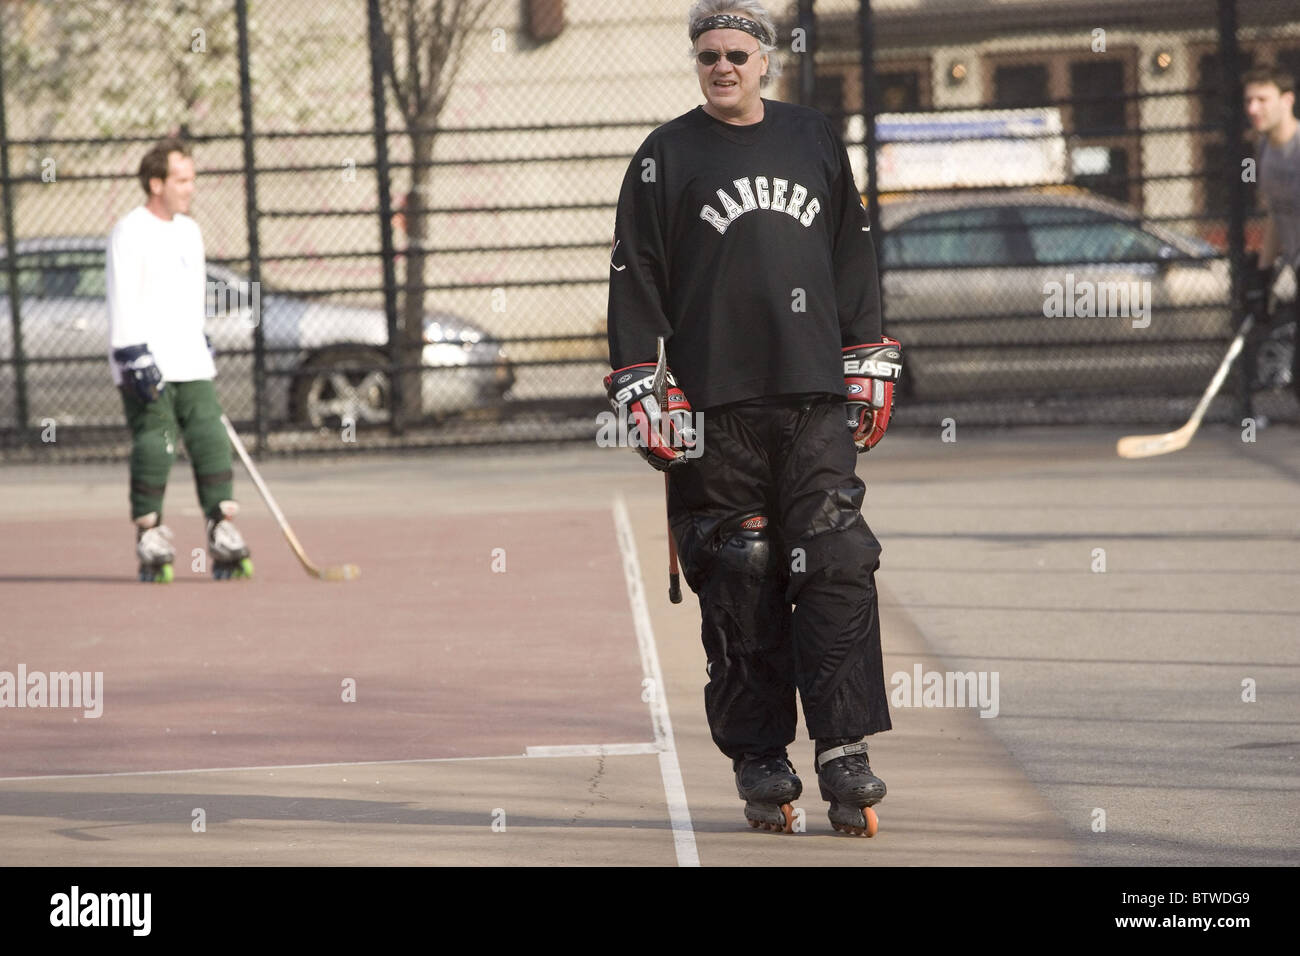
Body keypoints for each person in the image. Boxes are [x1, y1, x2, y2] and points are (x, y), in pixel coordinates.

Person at [603, 0, 901, 837]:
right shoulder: (665, 155)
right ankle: (759, 757)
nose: (723, 66)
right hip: (711, 406)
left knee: (837, 555)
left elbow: (853, 252)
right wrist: (640, 379)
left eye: (737, 53)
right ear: (696, 64)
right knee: (742, 568)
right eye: (708, 56)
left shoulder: (812, 139)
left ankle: (844, 747)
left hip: (812, 397)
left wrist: (866, 349)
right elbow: (636, 272)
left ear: (766, 59)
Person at [106, 138, 252, 582]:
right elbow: (121, 296)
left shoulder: (188, 230)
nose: (191, 188)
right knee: (157, 442)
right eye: (182, 179)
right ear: (156, 183)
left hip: (189, 359)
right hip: (146, 360)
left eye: (192, 178)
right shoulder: (130, 231)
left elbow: (189, 296)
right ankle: (149, 531)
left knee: (210, 438)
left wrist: (201, 337)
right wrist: (132, 354)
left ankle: (221, 528)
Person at [1243, 66, 1300, 400]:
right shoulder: (1265, 151)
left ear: (1287, 100)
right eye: (1249, 101)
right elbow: (1276, 215)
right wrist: (1264, 273)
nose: (1253, 109)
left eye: (1262, 99)